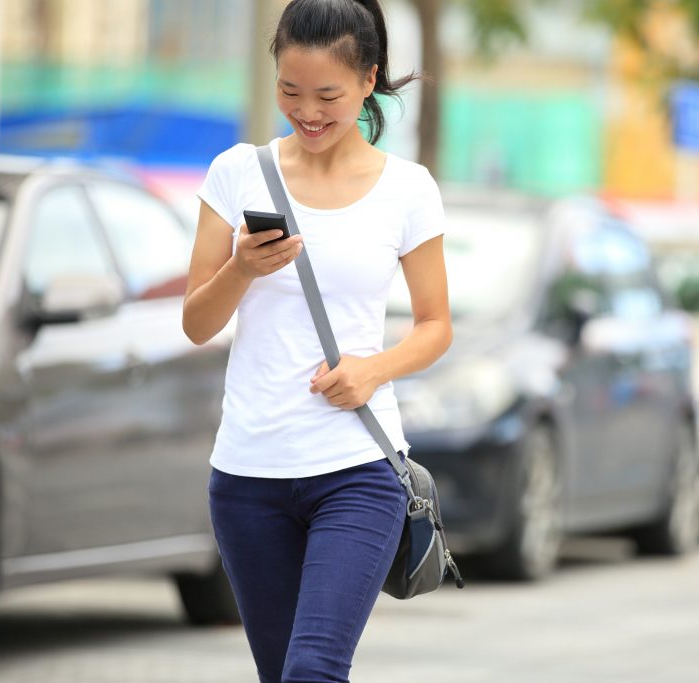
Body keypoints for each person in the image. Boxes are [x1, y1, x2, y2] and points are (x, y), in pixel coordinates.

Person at [181, 0, 451, 680]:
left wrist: (373, 369)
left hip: (356, 469)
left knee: (313, 670)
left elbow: (435, 325)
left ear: (368, 80)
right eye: (290, 91)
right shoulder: (236, 173)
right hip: (248, 476)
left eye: (327, 95)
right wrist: (242, 266)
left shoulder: (408, 190)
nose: (307, 111)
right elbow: (196, 321)